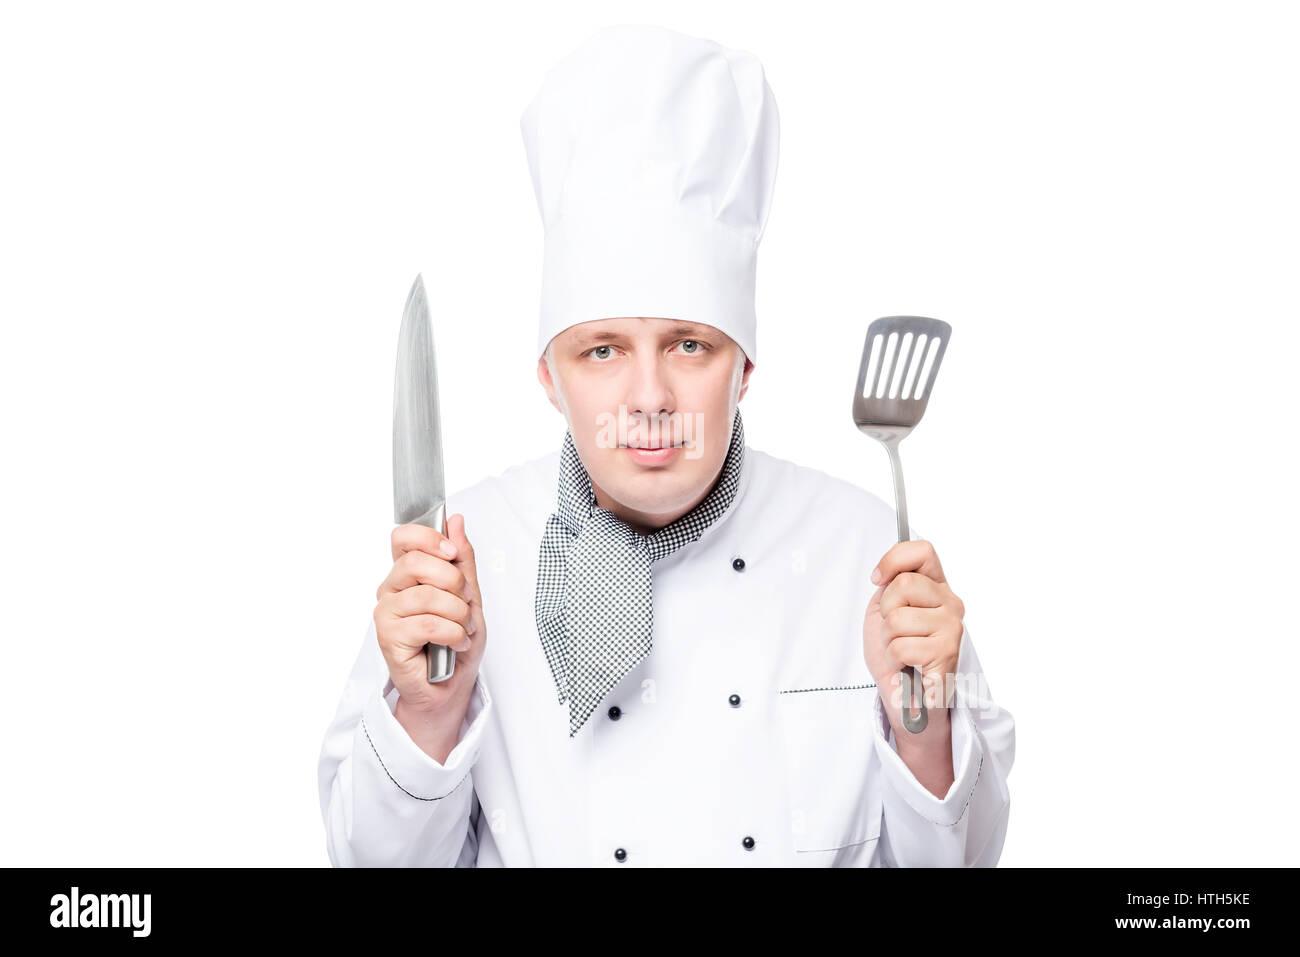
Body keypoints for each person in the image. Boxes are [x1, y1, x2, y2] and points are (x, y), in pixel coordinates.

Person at [317, 23, 1015, 867]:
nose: (648, 399)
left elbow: (966, 861)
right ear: (549, 376)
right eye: (602, 350)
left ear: (745, 367)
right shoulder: (456, 564)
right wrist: (428, 714)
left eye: (689, 344)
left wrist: (927, 722)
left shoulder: (871, 553)